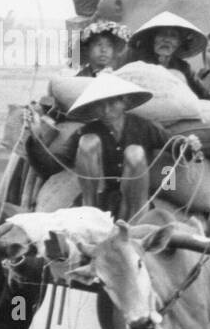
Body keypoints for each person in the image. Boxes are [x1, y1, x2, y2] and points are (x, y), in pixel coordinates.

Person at [65, 74, 202, 221]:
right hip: (98, 200)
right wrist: (36, 139)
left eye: (112, 103)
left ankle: (134, 222)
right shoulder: (85, 131)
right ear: (92, 109)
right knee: (88, 142)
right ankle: (89, 213)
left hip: (134, 200)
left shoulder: (143, 126)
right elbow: (53, 163)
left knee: (135, 153)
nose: (106, 110)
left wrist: (190, 146)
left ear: (125, 102)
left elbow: (176, 148)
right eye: (100, 105)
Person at [123, 11, 210, 101]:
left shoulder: (183, 67)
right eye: (162, 34)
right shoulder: (134, 57)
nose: (167, 40)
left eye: (173, 36)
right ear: (152, 38)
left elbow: (204, 93)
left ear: (179, 43)